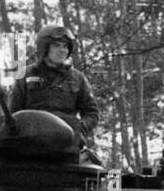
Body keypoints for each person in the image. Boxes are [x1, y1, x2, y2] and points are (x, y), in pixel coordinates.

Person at [9, 24, 100, 158]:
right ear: (45, 47)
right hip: (30, 145)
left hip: (67, 144)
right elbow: (14, 112)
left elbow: (92, 113)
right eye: (56, 45)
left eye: (65, 46)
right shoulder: (25, 74)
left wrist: (79, 128)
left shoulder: (77, 78)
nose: (62, 50)